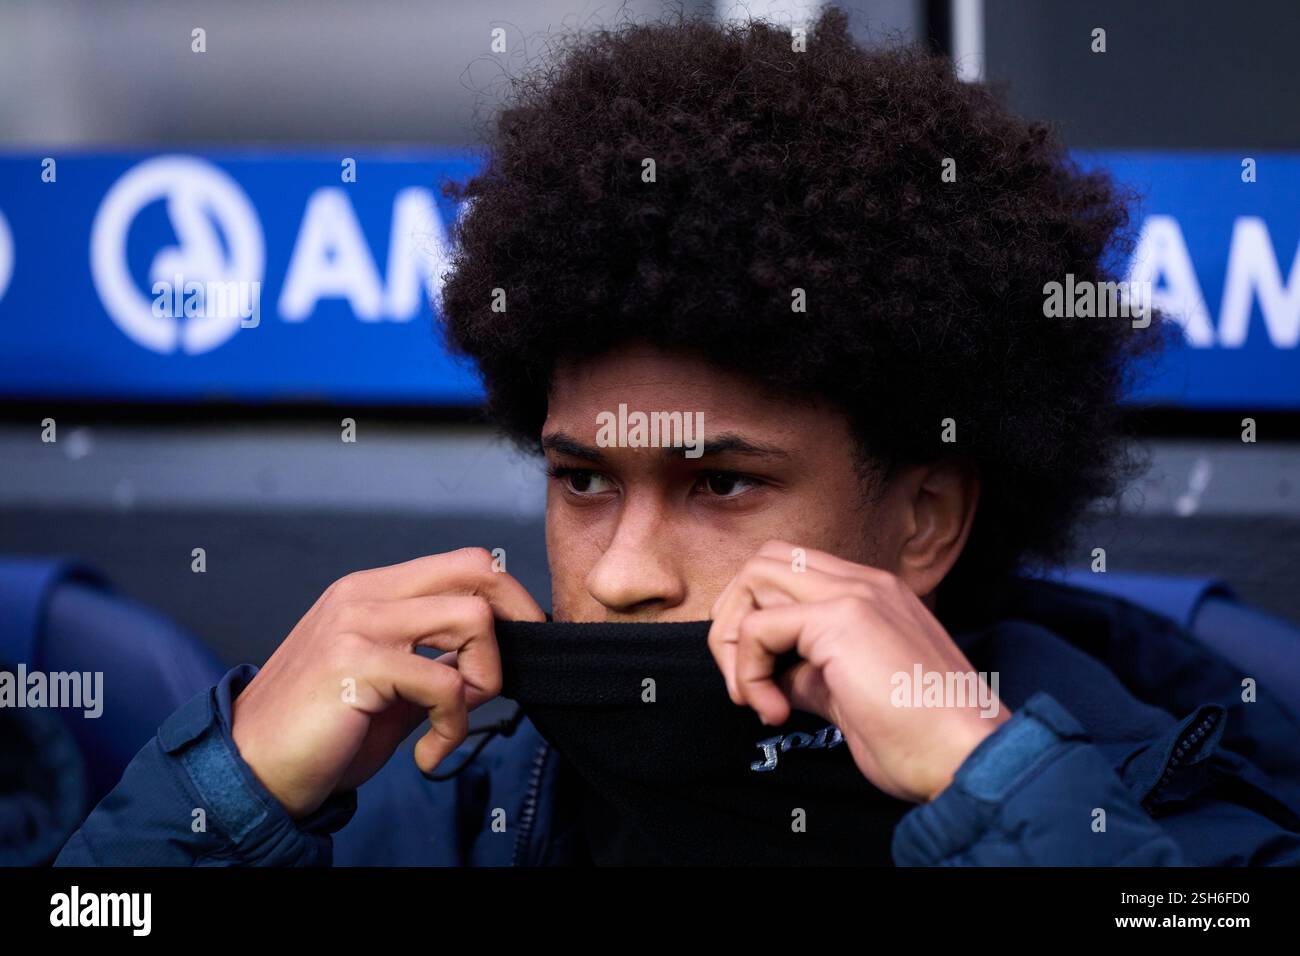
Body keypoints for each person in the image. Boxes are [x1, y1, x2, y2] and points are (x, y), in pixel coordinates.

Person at [56, 7, 1300, 866]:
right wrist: (223, 797)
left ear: (922, 518)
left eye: (719, 482)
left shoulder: (1153, 801)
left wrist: (993, 787)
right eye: (583, 478)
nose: (619, 570)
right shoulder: (427, 795)